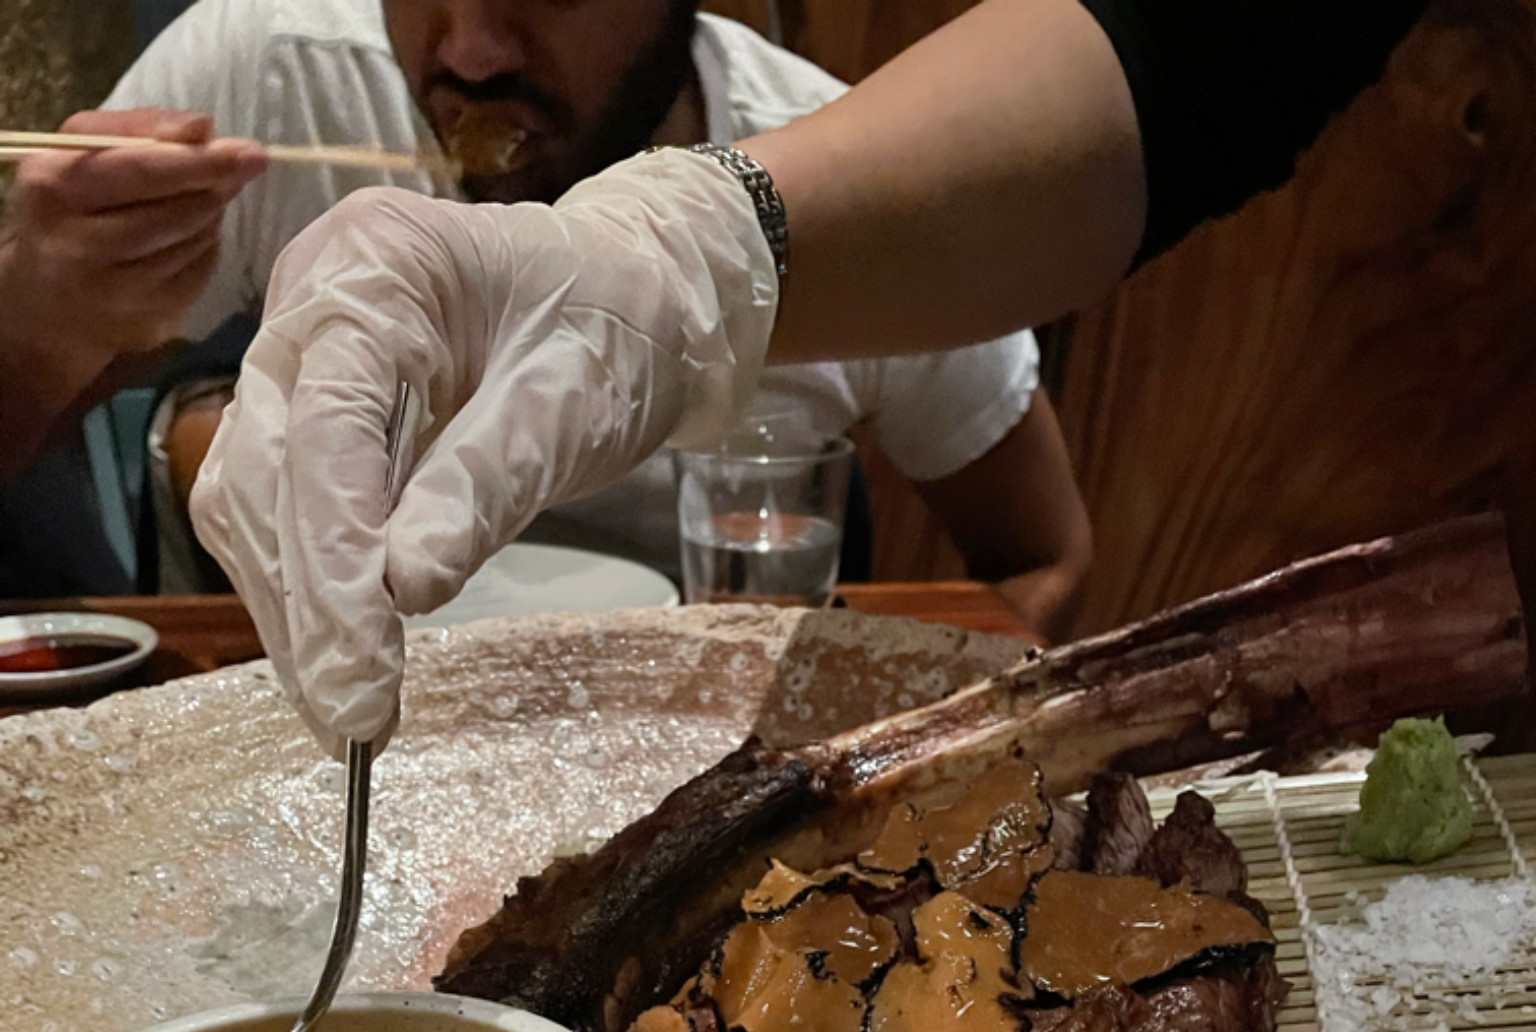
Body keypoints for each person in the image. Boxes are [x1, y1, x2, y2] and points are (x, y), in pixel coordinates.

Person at [190, 0, 1432, 756]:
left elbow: (1206, 50)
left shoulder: (831, 129)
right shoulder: (260, 69)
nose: (463, 50)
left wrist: (695, 247)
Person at [0, 0, 1092, 636]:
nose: (470, 54)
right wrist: (40, 318)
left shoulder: (846, 176)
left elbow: (1042, 557)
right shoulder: (270, 81)